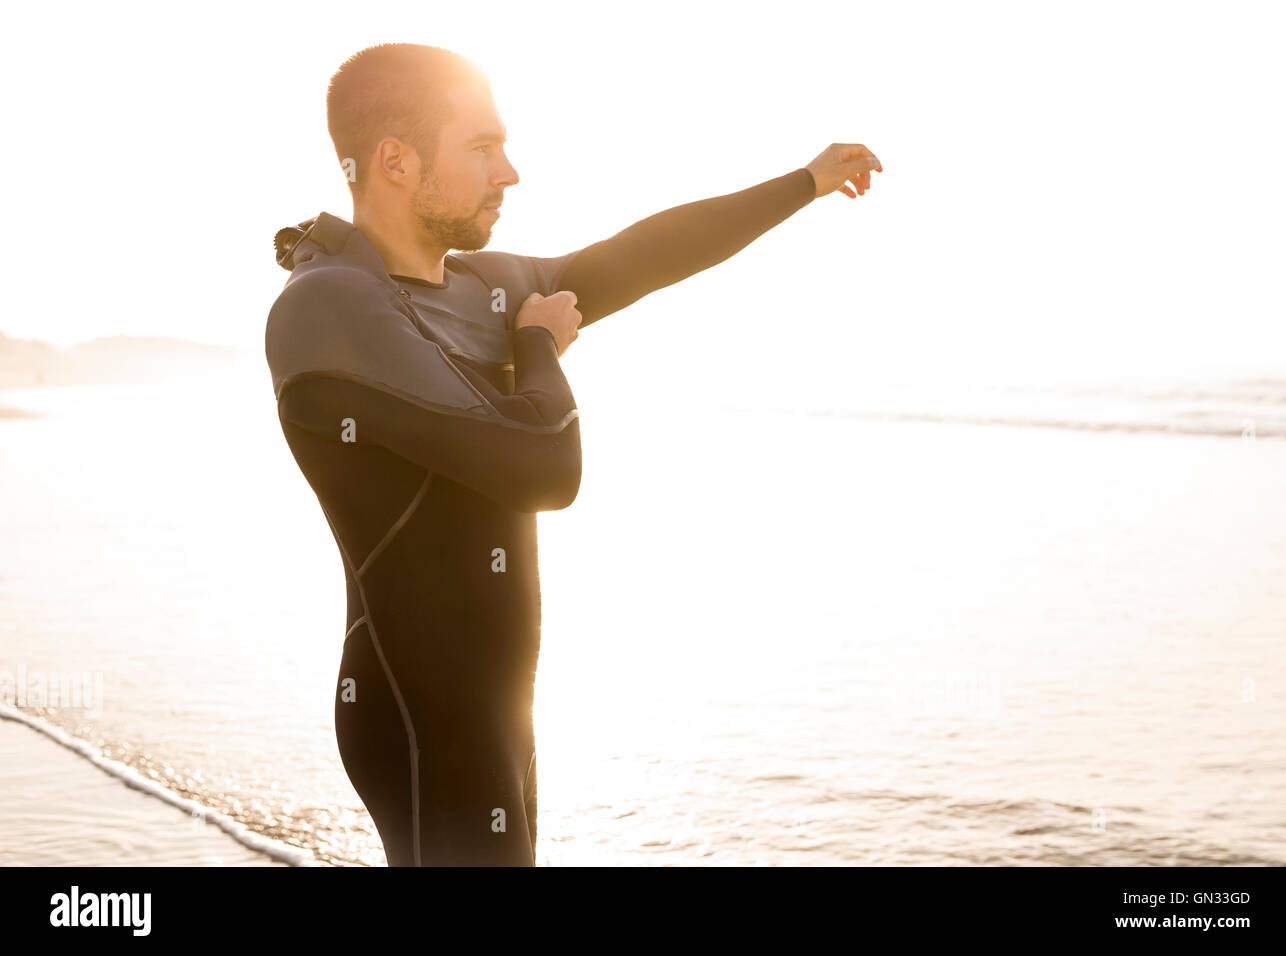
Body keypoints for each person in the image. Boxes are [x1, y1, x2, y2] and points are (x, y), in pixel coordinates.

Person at [264, 42, 881, 866]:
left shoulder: (478, 287)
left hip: (496, 712)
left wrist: (801, 184)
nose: (509, 172)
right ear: (396, 161)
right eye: (482, 148)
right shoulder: (331, 304)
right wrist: (538, 347)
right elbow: (547, 470)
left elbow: (638, 256)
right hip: (421, 709)